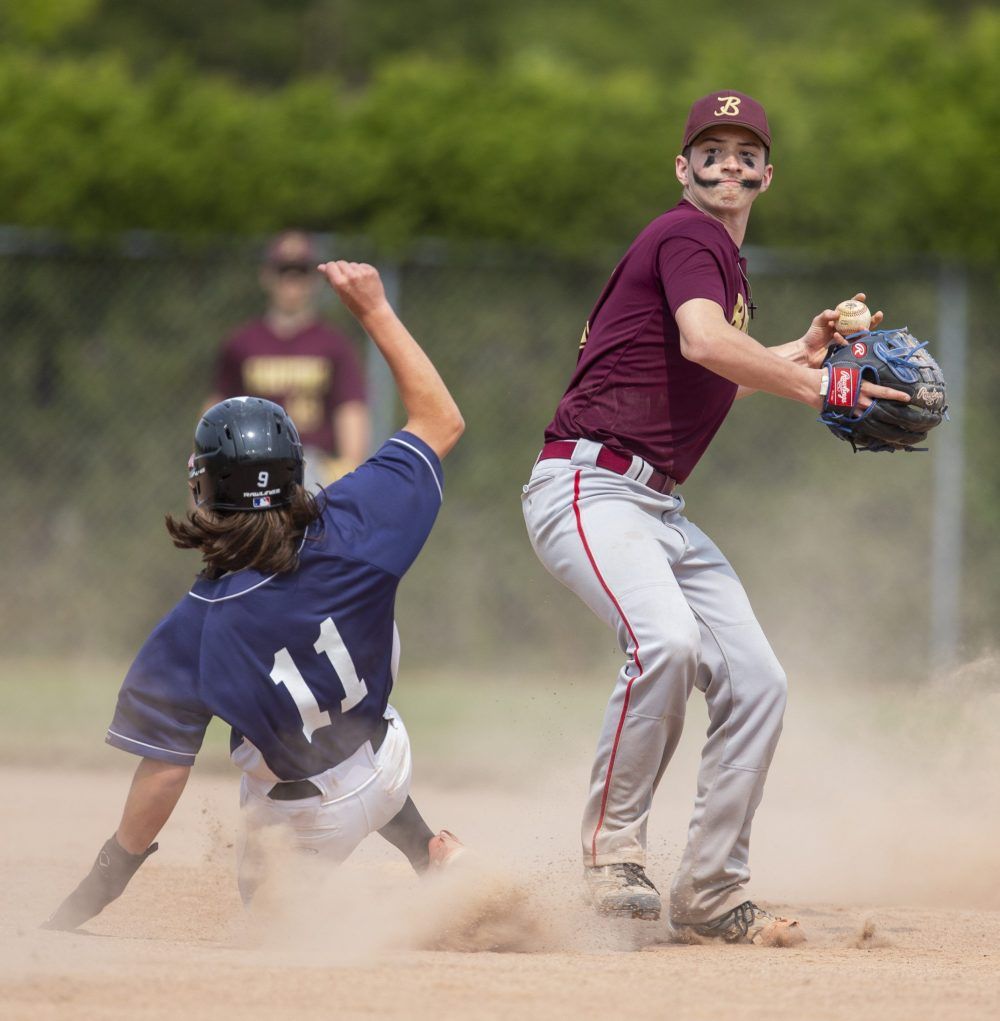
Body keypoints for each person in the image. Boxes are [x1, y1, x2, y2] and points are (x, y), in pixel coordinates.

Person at [520, 90, 909, 945]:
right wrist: (821, 385)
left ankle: (709, 890)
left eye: (744, 151)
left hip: (653, 502)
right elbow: (702, 342)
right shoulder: (687, 233)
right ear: (681, 167)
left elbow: (708, 366)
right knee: (666, 643)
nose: (727, 161)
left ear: (767, 175)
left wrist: (799, 357)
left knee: (758, 680)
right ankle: (613, 852)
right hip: (588, 487)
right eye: (710, 147)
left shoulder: (721, 267)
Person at [44, 261, 465, 932]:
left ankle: (343, 907)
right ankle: (431, 848)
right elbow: (441, 418)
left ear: (204, 489)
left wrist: (92, 894)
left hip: (307, 821)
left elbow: (163, 777)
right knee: (348, 718)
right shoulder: (353, 520)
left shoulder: (196, 624)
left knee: (268, 929)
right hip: (390, 761)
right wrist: (373, 310)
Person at [208, 230, 371, 487]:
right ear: (266, 275)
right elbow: (215, 413)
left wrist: (351, 476)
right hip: (250, 464)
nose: (292, 281)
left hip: (313, 467)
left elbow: (351, 413)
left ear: (314, 280)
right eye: (284, 271)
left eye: (301, 272)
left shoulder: (333, 344)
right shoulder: (241, 342)